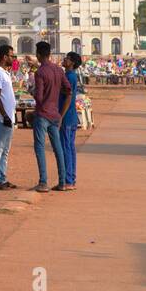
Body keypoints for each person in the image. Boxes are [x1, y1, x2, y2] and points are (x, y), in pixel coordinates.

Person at [30, 41, 70, 191]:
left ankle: (43, 181)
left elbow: (39, 97)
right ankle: (62, 182)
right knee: (57, 148)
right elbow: (68, 90)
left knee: (39, 147)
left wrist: (32, 91)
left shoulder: (40, 72)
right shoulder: (58, 70)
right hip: (55, 113)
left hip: (42, 113)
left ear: (39, 55)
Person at [0, 43, 17, 190]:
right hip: (1, 119)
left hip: (8, 118)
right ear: (4, 56)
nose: (13, 58)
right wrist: (5, 115)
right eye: (12, 56)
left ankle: (2, 177)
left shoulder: (5, 72)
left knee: (5, 150)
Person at [59, 52, 81, 191]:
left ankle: (68, 180)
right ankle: (71, 178)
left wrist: (60, 116)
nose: (64, 60)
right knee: (70, 148)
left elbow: (68, 97)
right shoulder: (71, 76)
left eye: (67, 58)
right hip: (71, 116)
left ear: (72, 63)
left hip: (67, 117)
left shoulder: (69, 76)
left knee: (66, 148)